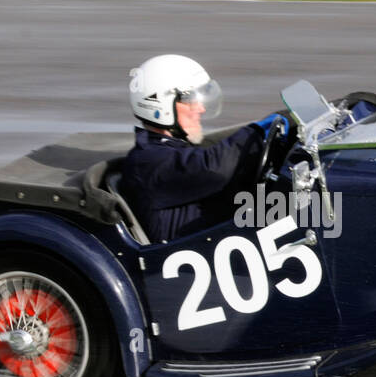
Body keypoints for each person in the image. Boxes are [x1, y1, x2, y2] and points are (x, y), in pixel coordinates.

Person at [119, 54, 286, 243]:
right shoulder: (146, 160)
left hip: (228, 239)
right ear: (160, 106)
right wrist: (257, 132)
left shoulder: (174, 149)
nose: (200, 108)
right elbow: (214, 167)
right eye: (190, 100)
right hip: (189, 254)